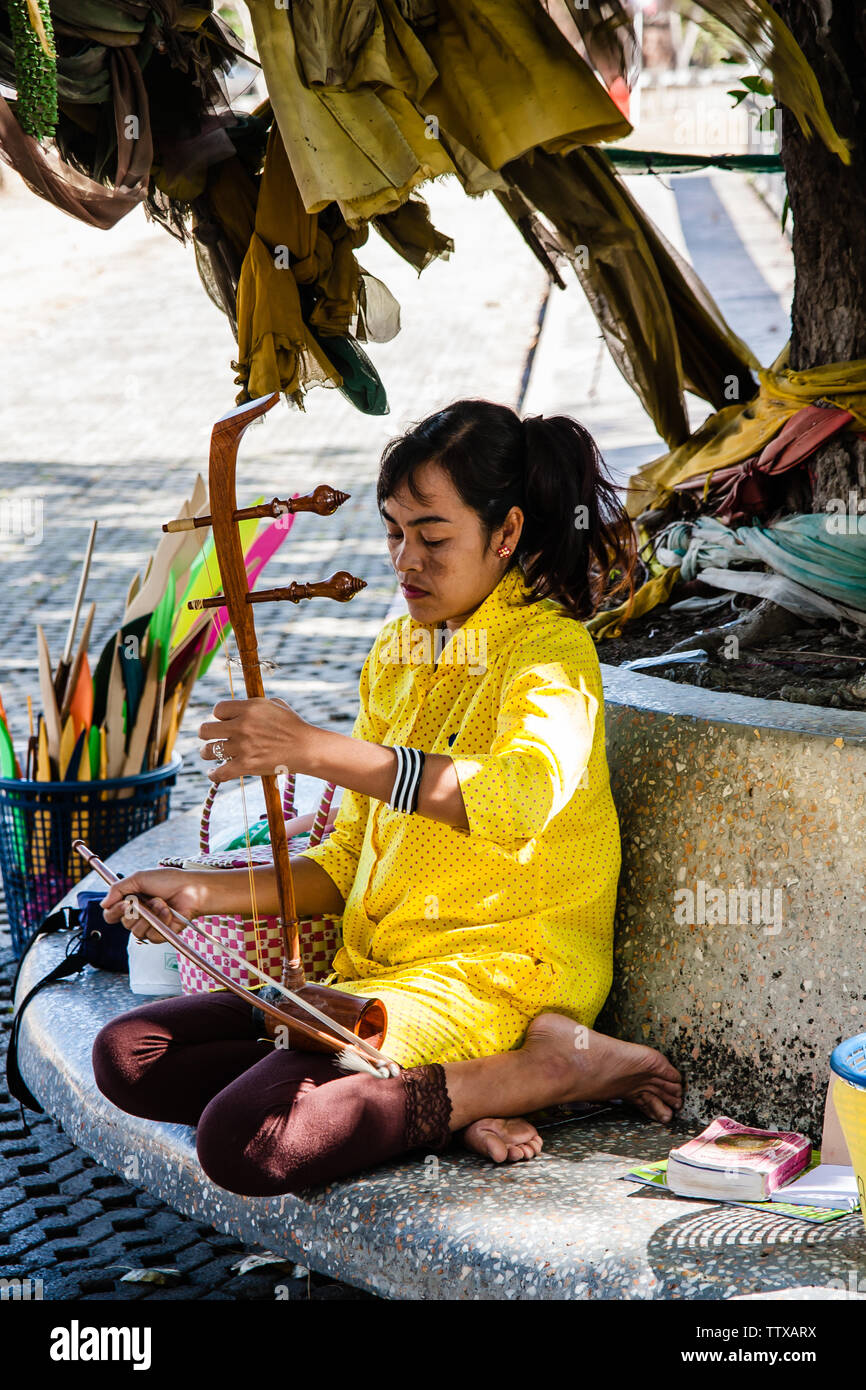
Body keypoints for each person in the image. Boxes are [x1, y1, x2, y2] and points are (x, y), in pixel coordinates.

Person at [94, 400, 682, 1196]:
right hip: (379, 976)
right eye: (394, 532)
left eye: (433, 537)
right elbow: (343, 864)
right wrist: (201, 893)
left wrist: (313, 748)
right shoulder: (398, 652)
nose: (407, 560)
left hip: (501, 975)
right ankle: (449, 1096)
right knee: (131, 1055)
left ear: (505, 534)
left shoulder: (550, 650)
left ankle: (544, 1070)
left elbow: (524, 795)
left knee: (253, 1139)